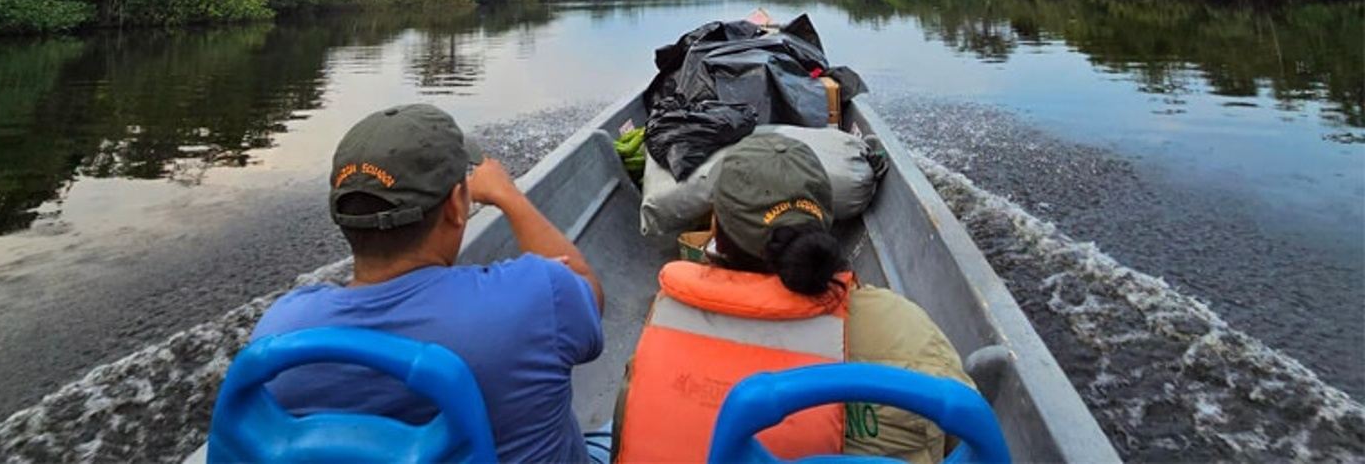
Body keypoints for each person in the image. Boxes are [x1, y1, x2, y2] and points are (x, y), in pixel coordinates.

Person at [251, 104, 605, 463]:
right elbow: (588, 291)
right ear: (456, 205)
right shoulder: (537, 297)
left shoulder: (277, 333)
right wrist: (508, 197)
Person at [613, 133, 974, 464]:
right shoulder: (907, 329)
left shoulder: (664, 325)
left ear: (717, 234)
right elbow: (966, 442)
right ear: (825, 224)